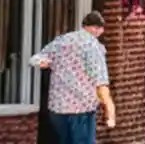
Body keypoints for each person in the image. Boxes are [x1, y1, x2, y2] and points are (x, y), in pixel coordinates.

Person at [31, 11, 115, 144]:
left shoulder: (63, 40)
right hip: (82, 107)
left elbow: (36, 59)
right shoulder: (93, 46)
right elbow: (100, 80)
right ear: (98, 29)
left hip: (58, 107)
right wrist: (110, 110)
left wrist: (43, 63)